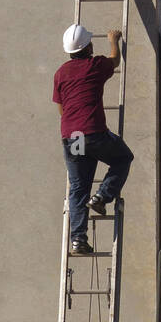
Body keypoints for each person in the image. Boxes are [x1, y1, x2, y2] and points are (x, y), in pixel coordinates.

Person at [52, 23, 134, 255]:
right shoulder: (95, 65)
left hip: (72, 137)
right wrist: (113, 40)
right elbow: (115, 60)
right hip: (93, 133)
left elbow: (61, 107)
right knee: (123, 158)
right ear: (87, 46)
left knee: (78, 188)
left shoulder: (60, 73)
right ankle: (102, 196)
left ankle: (78, 240)